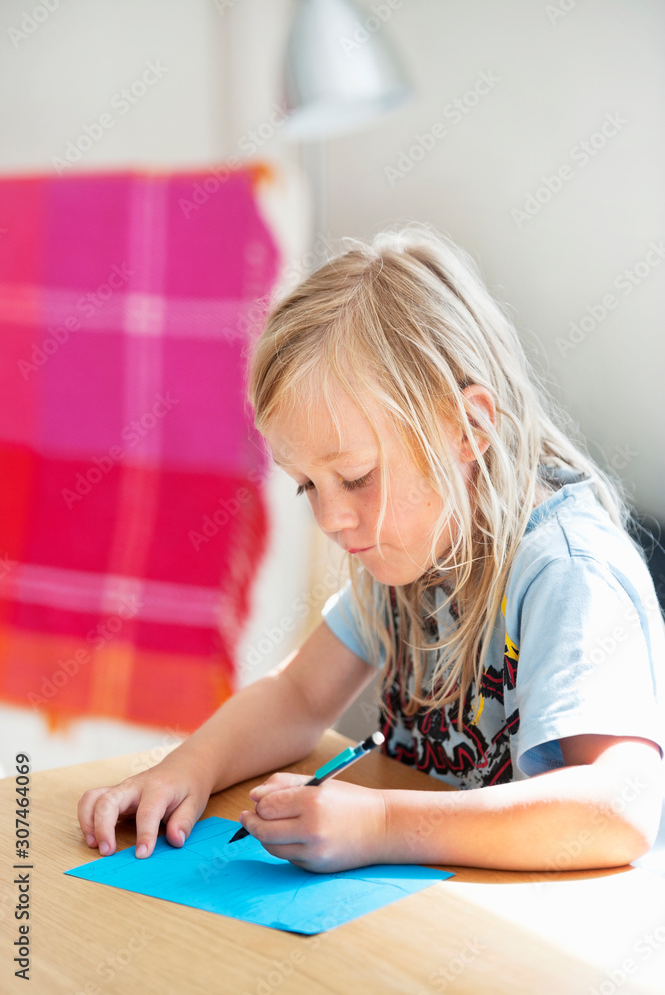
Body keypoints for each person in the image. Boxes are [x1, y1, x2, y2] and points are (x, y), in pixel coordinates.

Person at [78, 225, 665, 875]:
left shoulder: (568, 574)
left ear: (467, 427)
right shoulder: (412, 544)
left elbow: (621, 810)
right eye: (307, 485)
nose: (330, 518)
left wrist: (383, 823)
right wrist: (189, 767)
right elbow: (299, 694)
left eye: (356, 477)